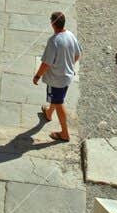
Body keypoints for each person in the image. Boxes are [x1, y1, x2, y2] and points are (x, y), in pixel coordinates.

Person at [32, 10, 81, 143]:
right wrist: (68, 66)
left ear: (53, 24)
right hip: (67, 77)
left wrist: (37, 76)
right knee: (57, 98)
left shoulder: (53, 41)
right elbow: (77, 54)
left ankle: (64, 133)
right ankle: (48, 113)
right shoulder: (70, 35)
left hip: (56, 79)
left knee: (59, 103)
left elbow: (46, 63)